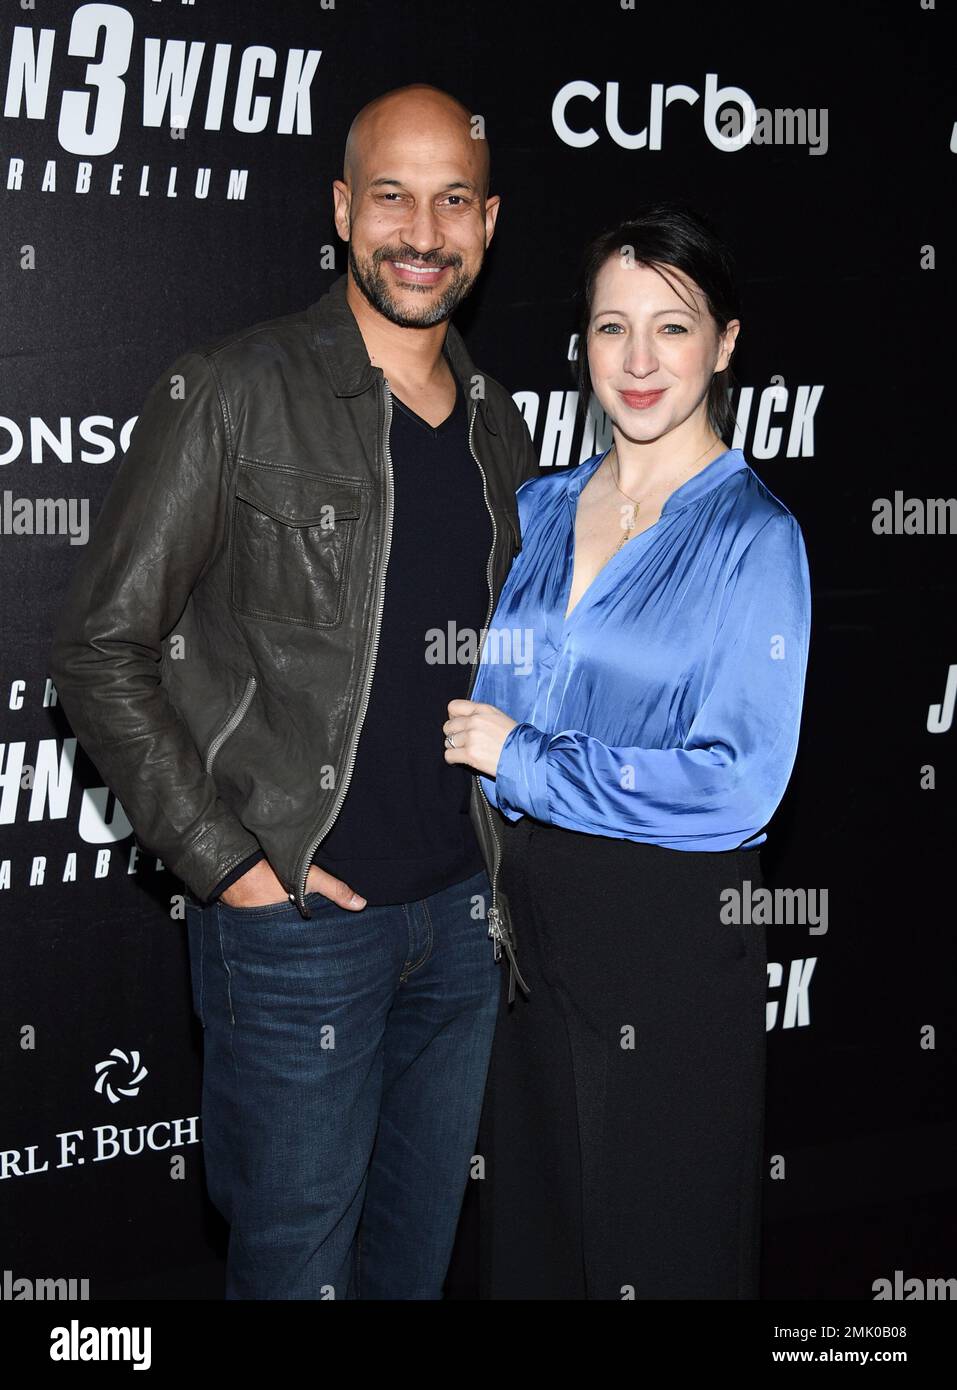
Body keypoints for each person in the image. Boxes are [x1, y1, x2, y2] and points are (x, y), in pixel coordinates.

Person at [48, 84, 539, 1300]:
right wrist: (234, 868)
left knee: (410, 1271)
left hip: (463, 930)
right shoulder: (233, 388)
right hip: (301, 933)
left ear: (487, 223)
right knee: (293, 1279)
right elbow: (101, 644)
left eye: (452, 199)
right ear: (340, 210)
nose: (421, 230)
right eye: (391, 195)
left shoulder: (500, 430)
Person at [442, 203, 812, 1299]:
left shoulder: (757, 536)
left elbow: (740, 783)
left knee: (658, 1240)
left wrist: (532, 762)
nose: (640, 360)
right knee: (541, 1239)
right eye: (612, 328)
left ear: (727, 343)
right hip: (531, 928)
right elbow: (492, 699)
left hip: (669, 931)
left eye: (673, 326)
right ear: (583, 346)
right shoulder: (543, 505)